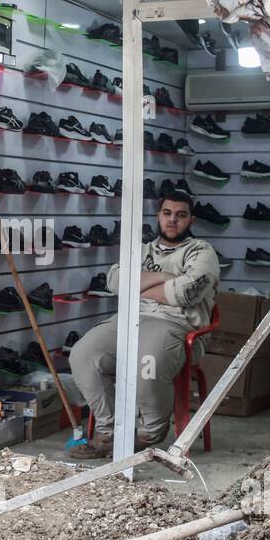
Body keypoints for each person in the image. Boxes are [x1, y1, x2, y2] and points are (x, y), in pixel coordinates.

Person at [68, 190, 220, 458]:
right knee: (82, 354)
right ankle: (109, 431)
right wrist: (165, 277)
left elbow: (186, 293)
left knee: (146, 358)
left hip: (177, 326)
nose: (172, 220)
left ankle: (148, 433)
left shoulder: (202, 252)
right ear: (159, 216)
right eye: (167, 213)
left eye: (180, 215)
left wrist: (136, 285)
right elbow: (114, 282)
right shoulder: (141, 249)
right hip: (130, 320)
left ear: (191, 221)